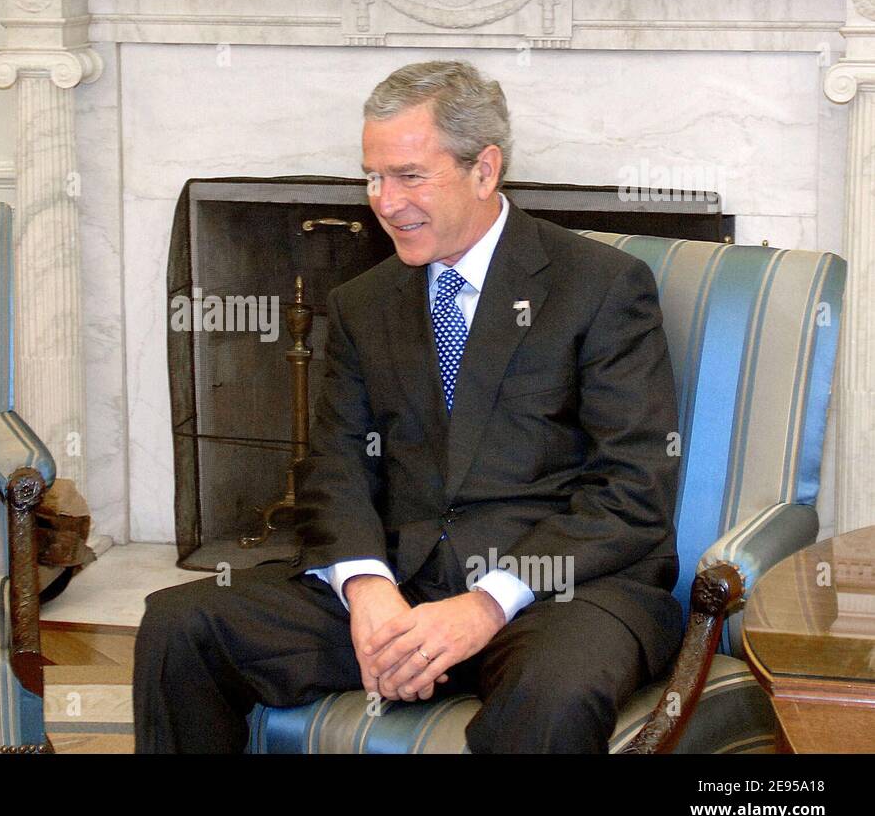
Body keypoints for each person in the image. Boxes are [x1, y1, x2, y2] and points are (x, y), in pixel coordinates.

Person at [134, 60, 684, 753]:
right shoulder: (364, 303)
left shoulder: (599, 286)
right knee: (181, 623)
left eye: (409, 176)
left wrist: (487, 602)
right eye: (372, 177)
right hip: (404, 588)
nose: (384, 202)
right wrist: (366, 587)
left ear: (485, 169)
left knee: (556, 690)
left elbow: (633, 486)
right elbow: (334, 466)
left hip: (555, 597)